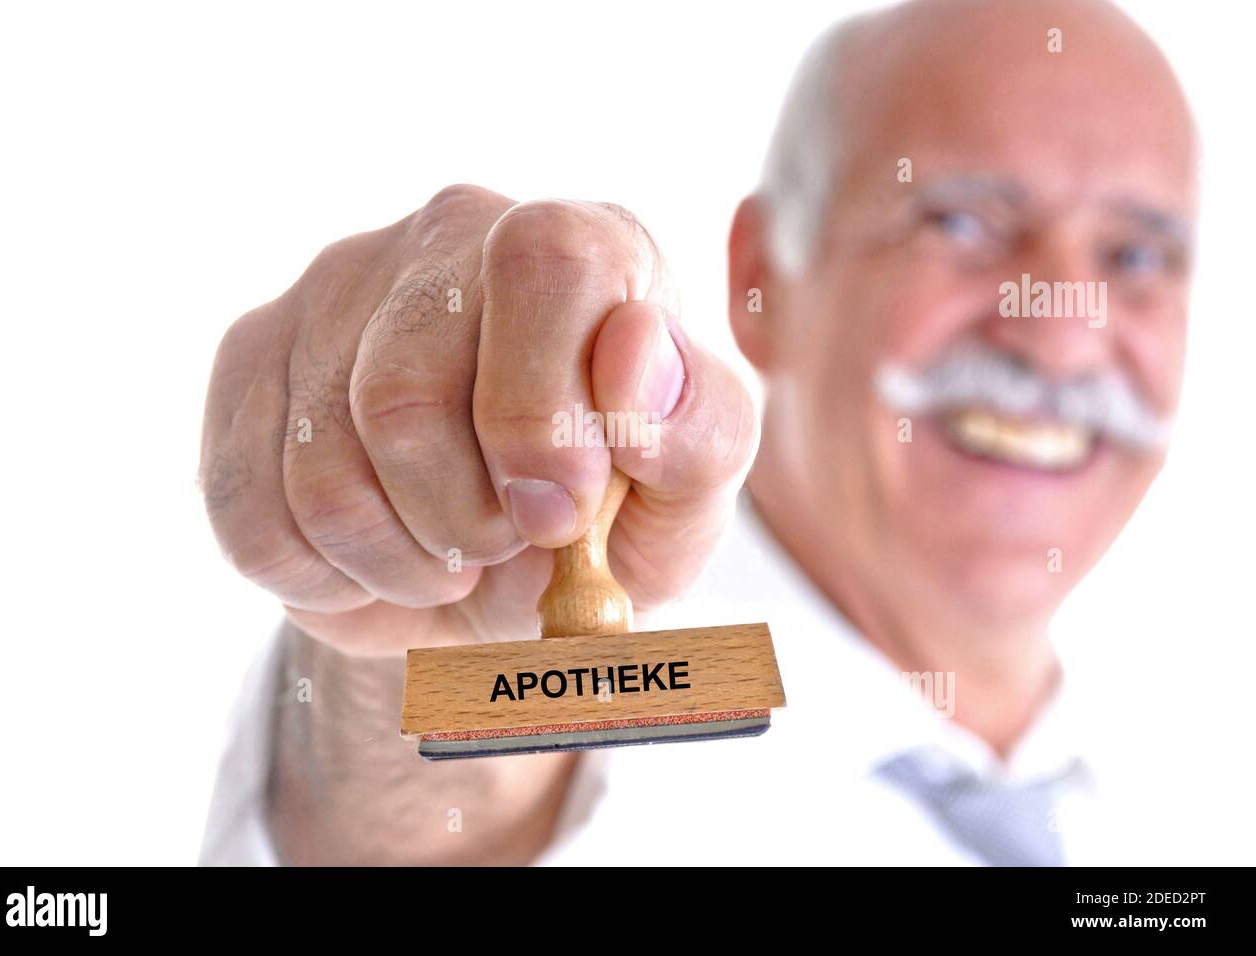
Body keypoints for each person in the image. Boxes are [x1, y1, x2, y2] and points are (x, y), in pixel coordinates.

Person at [197, 0, 1198, 865]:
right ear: (761, 277)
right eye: (961, 224)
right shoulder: (575, 716)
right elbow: (408, 823)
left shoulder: (1184, 793)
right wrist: (413, 641)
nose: (1064, 333)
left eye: (1137, 253)